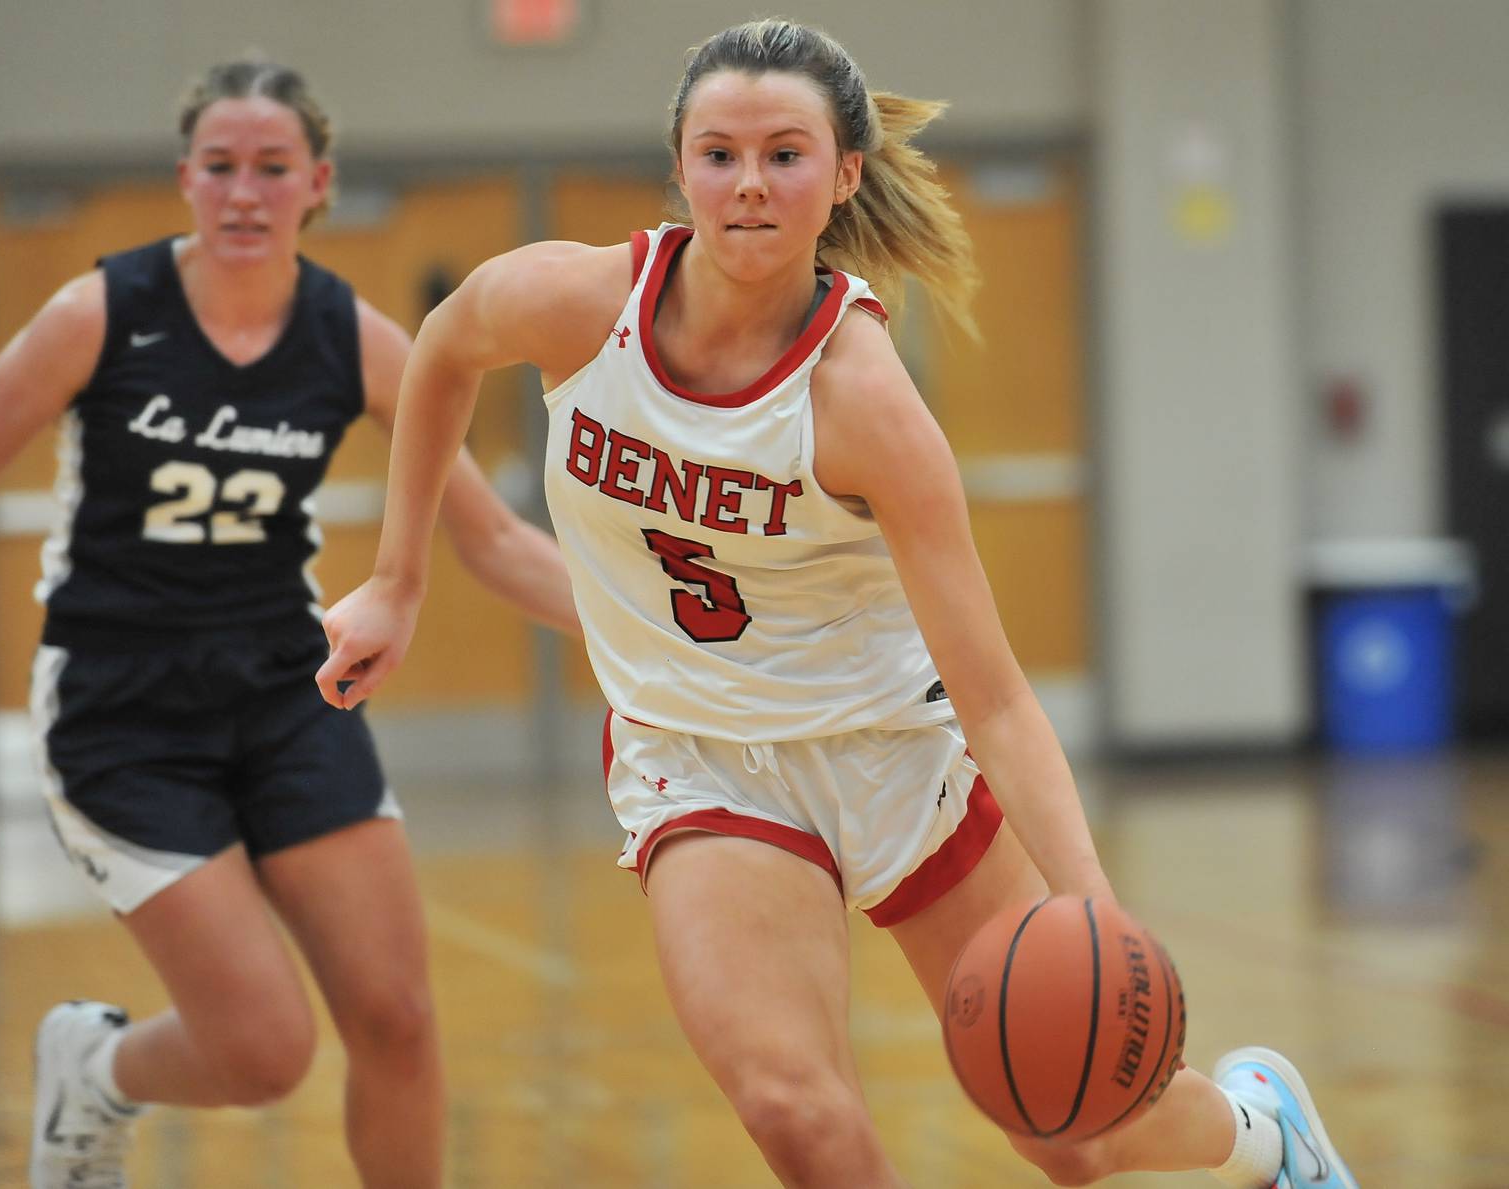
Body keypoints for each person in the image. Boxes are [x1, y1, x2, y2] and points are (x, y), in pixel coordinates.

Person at [316, 19, 1358, 1189]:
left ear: (844, 174)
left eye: (784, 155)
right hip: (699, 759)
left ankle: (1263, 1130)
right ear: (679, 166)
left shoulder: (864, 404)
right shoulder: (572, 303)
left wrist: (1095, 910)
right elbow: (443, 349)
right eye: (718, 154)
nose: (749, 184)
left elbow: (996, 699)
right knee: (793, 1111)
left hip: (890, 754)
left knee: (1075, 1135)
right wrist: (397, 580)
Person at [0, 59, 580, 1189]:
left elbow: (494, 539)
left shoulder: (352, 335)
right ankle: (96, 1070)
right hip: (122, 710)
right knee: (265, 1050)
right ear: (186, 179)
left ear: (316, 183)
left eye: (272, 168)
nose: (243, 192)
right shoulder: (99, 314)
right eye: (220, 166)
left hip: (285, 688)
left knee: (398, 1015)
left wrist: (657, 634)